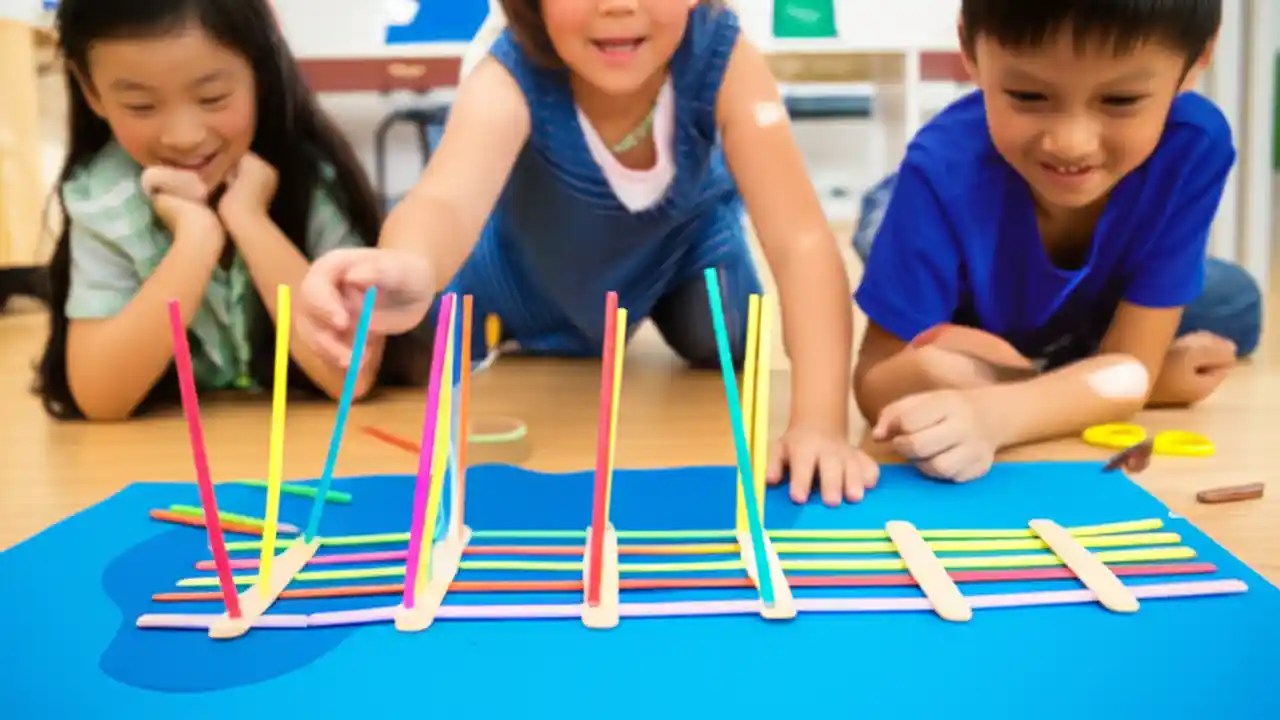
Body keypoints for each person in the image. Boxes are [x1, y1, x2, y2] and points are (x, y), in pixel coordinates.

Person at [295, 0, 880, 505]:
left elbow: (800, 239)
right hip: (520, 278)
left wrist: (821, 425)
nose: (616, 6)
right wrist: (407, 264)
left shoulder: (724, 58)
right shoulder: (510, 72)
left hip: (682, 255)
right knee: (417, 354)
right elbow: (444, 202)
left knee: (730, 338)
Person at [849, 0, 1260, 482]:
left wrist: (997, 399)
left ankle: (1052, 358)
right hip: (957, 259)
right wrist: (1134, 384)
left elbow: (1130, 372)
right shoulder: (941, 166)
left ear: (1197, 59)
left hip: (1063, 301)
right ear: (970, 51)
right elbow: (876, 385)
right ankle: (1062, 360)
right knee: (898, 254)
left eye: (1121, 100)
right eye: (1027, 95)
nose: (1072, 143)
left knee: (1235, 304)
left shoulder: (1197, 143)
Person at [35, 0, 424, 421]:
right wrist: (196, 241)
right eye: (141, 106)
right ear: (91, 90)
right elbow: (101, 399)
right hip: (165, 462)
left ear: (259, 71)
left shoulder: (309, 178)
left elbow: (349, 375)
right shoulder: (105, 199)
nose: (184, 136)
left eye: (213, 97)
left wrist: (250, 221)